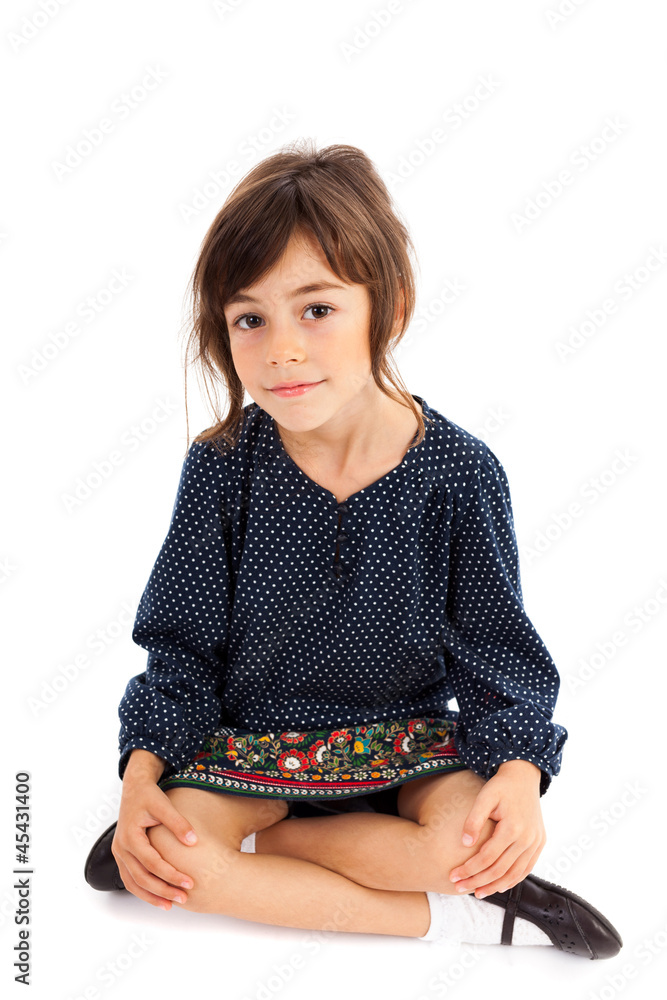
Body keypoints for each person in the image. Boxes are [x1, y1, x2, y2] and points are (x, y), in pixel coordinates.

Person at [85, 139, 621, 959]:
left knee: (454, 849)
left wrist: (517, 774)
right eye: (249, 319)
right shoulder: (223, 467)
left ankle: (287, 861)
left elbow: (496, 650)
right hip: (251, 747)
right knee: (177, 856)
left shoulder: (457, 471)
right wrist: (141, 778)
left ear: (390, 306)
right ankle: (469, 918)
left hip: (406, 746)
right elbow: (179, 644)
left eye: (317, 309)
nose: (281, 349)